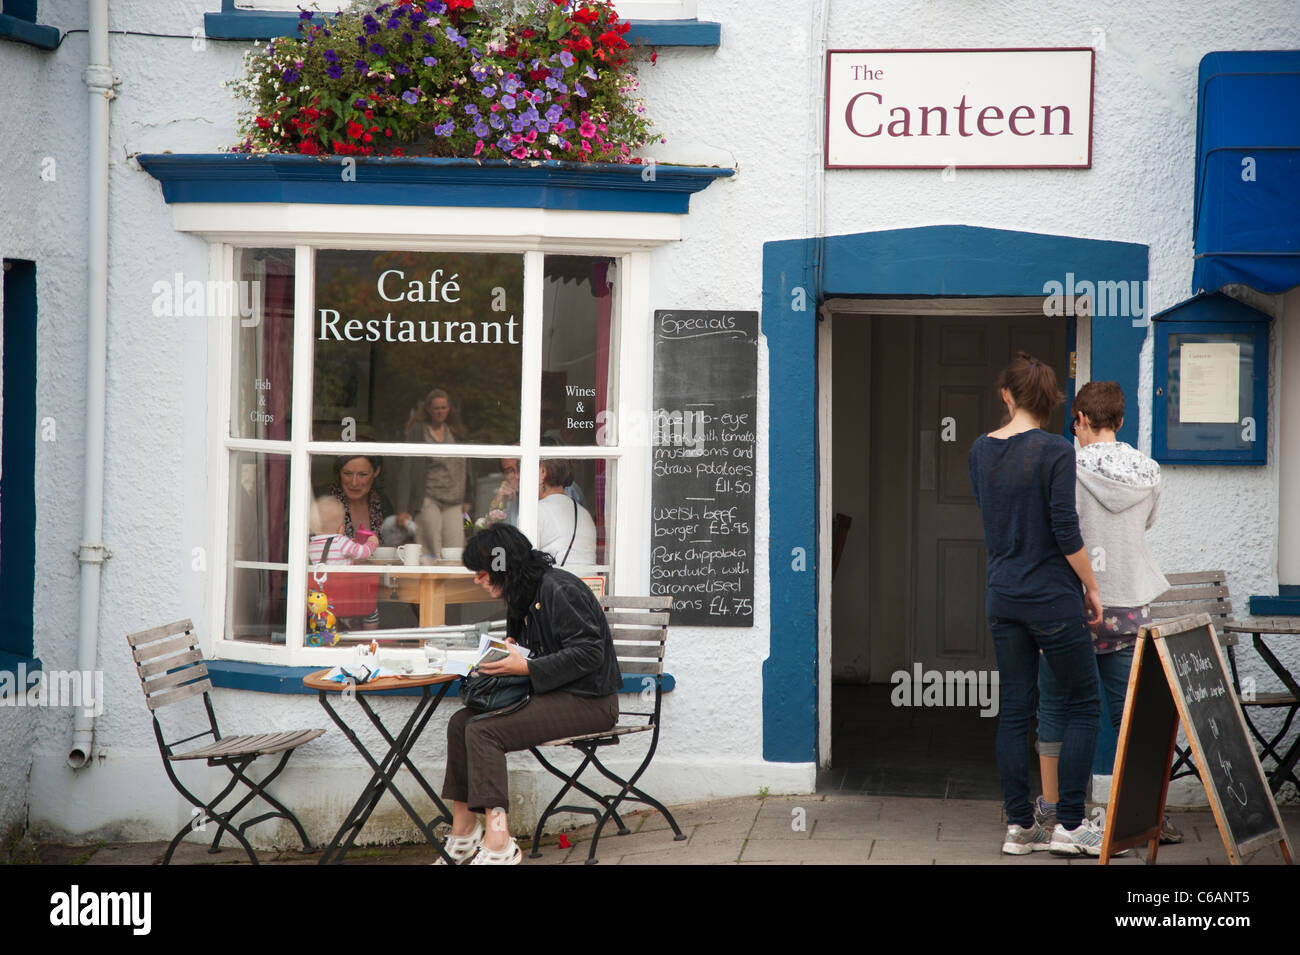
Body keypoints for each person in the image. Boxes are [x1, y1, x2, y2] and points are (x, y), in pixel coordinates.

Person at [968, 352, 1105, 856]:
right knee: (1083, 704)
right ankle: (1070, 824)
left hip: (1002, 596)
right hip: (1051, 598)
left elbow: (992, 515)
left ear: (1006, 395)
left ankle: (1020, 828)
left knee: (1015, 709)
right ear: (1051, 403)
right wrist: (1091, 587)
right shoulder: (1054, 450)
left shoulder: (980, 451)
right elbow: (1065, 531)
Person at [1034, 381, 1181, 843]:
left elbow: (1058, 527)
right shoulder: (1149, 471)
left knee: (1056, 704)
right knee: (1127, 713)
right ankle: (1134, 811)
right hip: (1129, 606)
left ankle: (1053, 810)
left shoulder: (1065, 466)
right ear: (1119, 421)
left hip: (1073, 604)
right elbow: (1146, 526)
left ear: (1078, 419)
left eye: (1074, 422)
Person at [437, 524, 621, 865]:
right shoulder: (521, 594)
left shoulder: (558, 589)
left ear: (501, 567)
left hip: (591, 701)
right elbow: (533, 652)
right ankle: (464, 830)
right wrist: (509, 652)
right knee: (461, 721)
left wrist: (524, 667)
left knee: (483, 728)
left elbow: (589, 653)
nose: (476, 580)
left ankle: (498, 840)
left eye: (480, 573)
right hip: (554, 695)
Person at [392, 388, 472, 557]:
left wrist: (469, 497)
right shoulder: (418, 431)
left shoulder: (456, 432)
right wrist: (402, 508)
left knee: (455, 550)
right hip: (428, 497)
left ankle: (451, 583)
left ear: (449, 408)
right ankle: (429, 583)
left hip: (454, 499)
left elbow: (467, 465)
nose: (440, 411)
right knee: (429, 547)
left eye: (443, 407)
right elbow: (407, 468)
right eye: (436, 408)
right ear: (428, 409)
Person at [323, 455, 392, 630]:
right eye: (347, 473)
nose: (354, 482)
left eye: (362, 474)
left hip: (374, 585)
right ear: (338, 473)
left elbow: (393, 544)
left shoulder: (382, 502)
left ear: (376, 472)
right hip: (333, 590)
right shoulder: (325, 501)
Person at [536, 458, 597, 567]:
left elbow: (521, 561)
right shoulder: (584, 513)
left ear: (542, 472)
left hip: (555, 583)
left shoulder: (537, 511)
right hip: (585, 583)